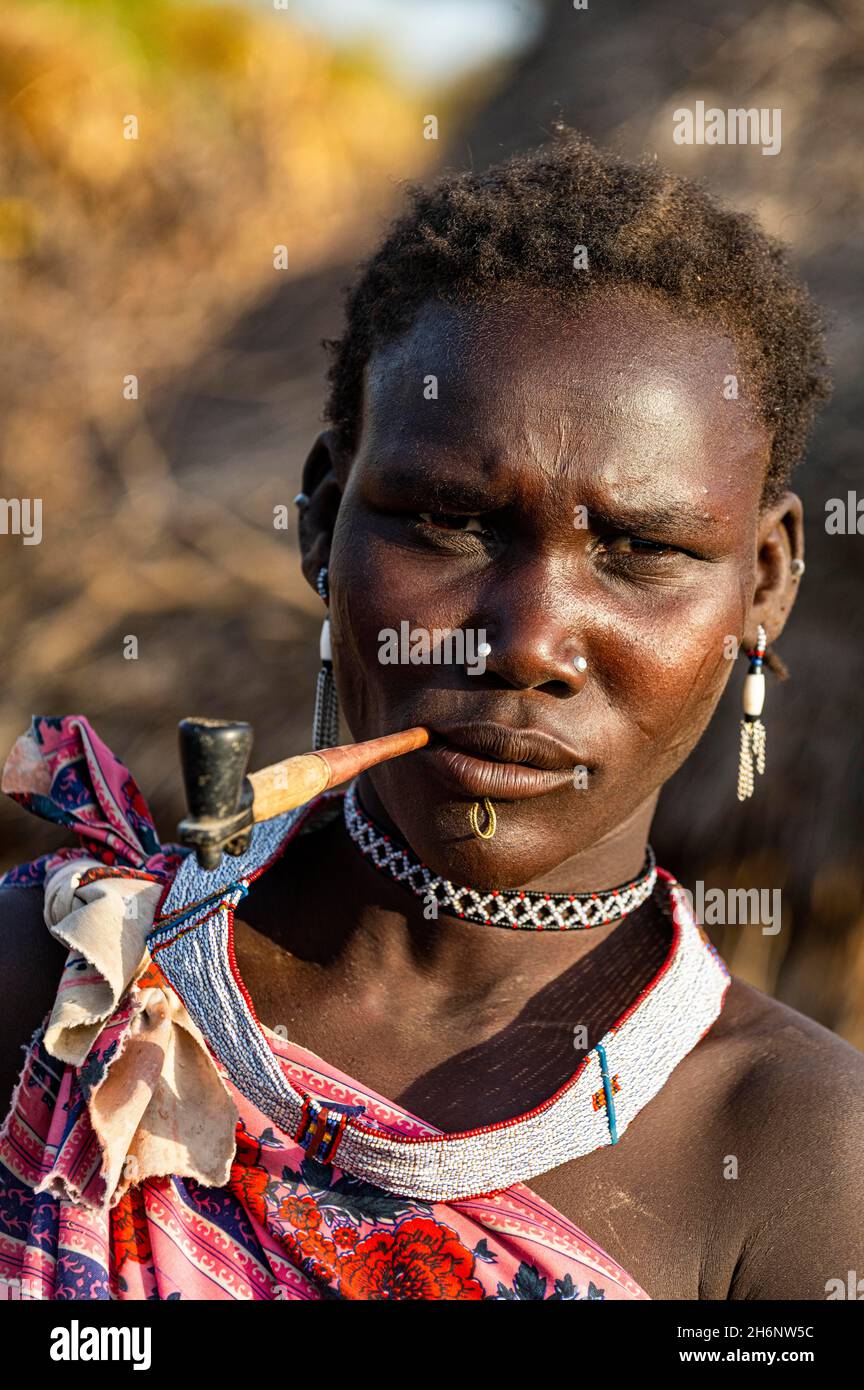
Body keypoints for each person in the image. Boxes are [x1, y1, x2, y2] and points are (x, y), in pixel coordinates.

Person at [1, 132, 862, 1302]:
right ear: (321, 517)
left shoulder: (804, 1159)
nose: (528, 640)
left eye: (641, 547)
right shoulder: (61, 981)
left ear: (764, 581)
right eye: (451, 521)